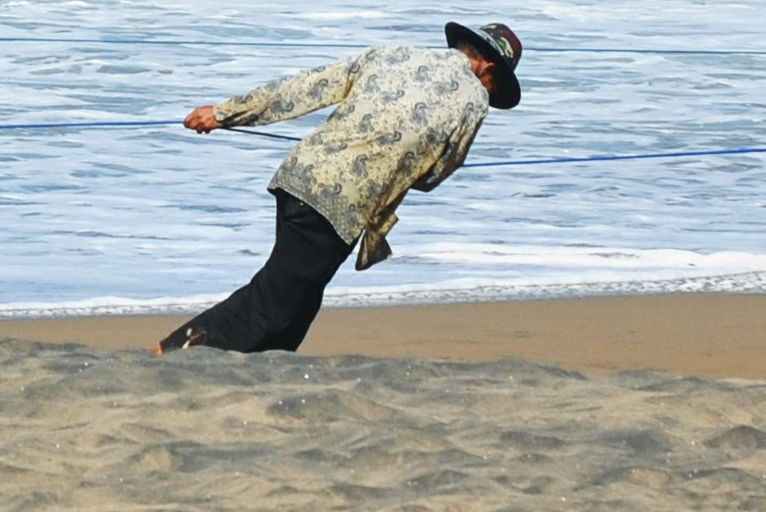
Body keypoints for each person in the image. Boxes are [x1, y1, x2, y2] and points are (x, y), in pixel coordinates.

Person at [157, 23, 523, 356]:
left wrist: (223, 113)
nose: (489, 94)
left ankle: (266, 370)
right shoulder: (474, 98)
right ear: (487, 69)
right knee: (272, 301)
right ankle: (168, 355)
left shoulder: (390, 53)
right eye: (495, 88)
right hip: (341, 204)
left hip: (298, 175)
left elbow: (304, 88)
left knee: (301, 303)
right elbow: (435, 174)